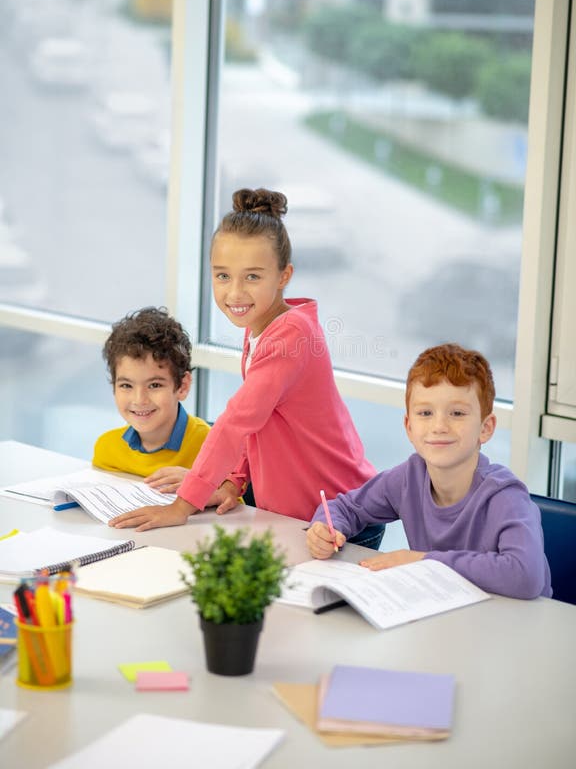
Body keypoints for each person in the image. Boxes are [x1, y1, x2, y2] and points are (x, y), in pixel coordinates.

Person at [109, 188, 381, 543]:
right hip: (300, 515)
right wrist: (232, 482)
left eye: (252, 277)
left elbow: (237, 420)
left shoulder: (290, 335)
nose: (234, 293)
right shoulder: (262, 329)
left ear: (284, 276)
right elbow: (257, 423)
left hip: (339, 511)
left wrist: (183, 505)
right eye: (223, 276)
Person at [307, 343, 552, 600]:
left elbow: (525, 576)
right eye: (425, 413)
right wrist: (323, 528)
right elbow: (344, 508)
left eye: (457, 413)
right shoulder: (408, 478)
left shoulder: (506, 497)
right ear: (409, 426)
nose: (439, 426)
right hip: (449, 615)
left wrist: (423, 561)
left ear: (486, 428)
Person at [93, 306, 210, 483]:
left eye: (154, 385)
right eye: (126, 385)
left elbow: (236, 506)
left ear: (183, 386)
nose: (139, 400)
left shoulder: (210, 448)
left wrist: (202, 485)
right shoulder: (107, 450)